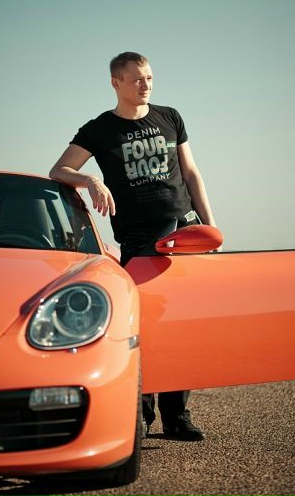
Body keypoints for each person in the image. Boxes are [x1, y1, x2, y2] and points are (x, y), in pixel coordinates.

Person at [49, 51, 219, 441]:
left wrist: (210, 226)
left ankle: (177, 416)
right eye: (138, 79)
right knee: (142, 326)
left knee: (182, 326)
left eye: (150, 78)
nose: (146, 85)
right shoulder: (100, 129)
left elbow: (191, 172)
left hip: (183, 232)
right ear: (116, 83)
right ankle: (139, 415)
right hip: (139, 238)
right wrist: (91, 180)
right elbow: (59, 170)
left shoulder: (170, 117)